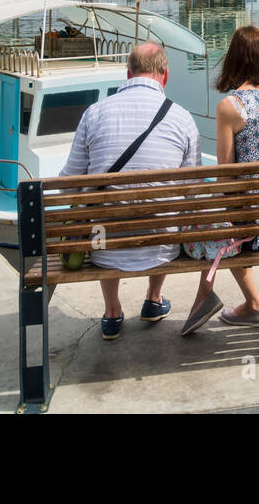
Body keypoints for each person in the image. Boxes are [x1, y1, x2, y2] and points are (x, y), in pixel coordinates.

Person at [60, 42, 199, 340]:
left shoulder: (94, 113)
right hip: (163, 244)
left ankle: (112, 312)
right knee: (166, 207)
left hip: (103, 246)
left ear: (127, 73)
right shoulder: (182, 117)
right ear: (165, 75)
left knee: (99, 213)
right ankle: (154, 299)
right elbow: (193, 189)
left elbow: (69, 180)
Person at [180, 24, 259, 335]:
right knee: (227, 218)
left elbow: (225, 174)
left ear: (231, 59)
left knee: (210, 220)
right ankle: (243, 305)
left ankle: (231, 303)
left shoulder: (231, 106)